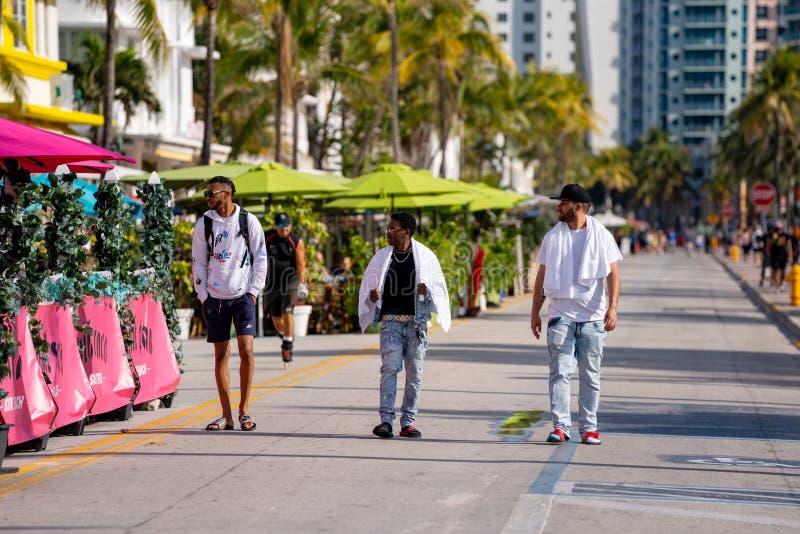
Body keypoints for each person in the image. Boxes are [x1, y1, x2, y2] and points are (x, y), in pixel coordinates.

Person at [530, 184, 622, 446]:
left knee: (590, 376)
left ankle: (589, 428)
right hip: (560, 316)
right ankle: (560, 427)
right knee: (559, 372)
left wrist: (612, 307)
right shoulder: (552, 237)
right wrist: (535, 312)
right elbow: (541, 277)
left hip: (593, 318)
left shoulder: (602, 235)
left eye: (563, 203)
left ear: (577, 207)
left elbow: (613, 274)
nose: (558, 207)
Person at [359, 211, 451, 439]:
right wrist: (371, 296)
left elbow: (439, 290)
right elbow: (367, 289)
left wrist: (426, 291)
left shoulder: (425, 256)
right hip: (390, 321)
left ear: (406, 232)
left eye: (393, 228)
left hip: (416, 325)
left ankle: (408, 422)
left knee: (414, 374)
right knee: (389, 369)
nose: (388, 232)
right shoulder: (381, 257)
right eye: (388, 228)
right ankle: (386, 421)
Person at [192, 176, 268, 432]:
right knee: (221, 355)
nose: (208, 197)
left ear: (226, 193)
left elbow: (261, 257)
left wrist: (253, 291)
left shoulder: (248, 221)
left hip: (242, 296)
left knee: (246, 350)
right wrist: (203, 295)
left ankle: (245, 410)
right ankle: (226, 415)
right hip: (215, 297)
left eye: (210, 193)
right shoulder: (204, 224)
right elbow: (198, 262)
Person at [264, 212, 308, 365]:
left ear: (290, 225)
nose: (284, 228)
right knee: (276, 318)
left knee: (287, 310)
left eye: (286, 225)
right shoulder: (267, 237)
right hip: (272, 282)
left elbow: (300, 265)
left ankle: (287, 346)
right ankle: (287, 336)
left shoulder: (296, 241)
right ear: (275, 226)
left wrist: (301, 284)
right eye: (280, 225)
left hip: (291, 280)